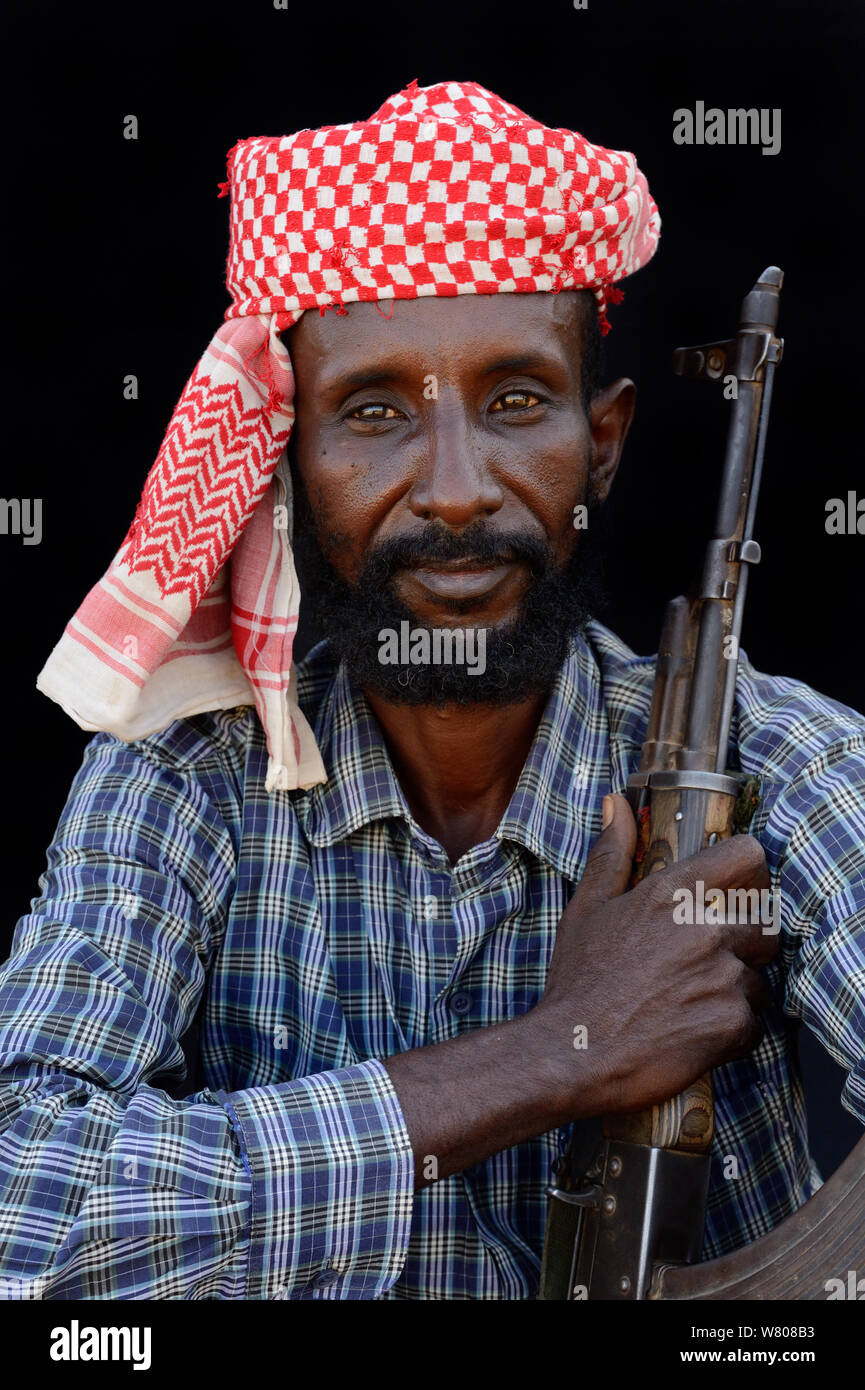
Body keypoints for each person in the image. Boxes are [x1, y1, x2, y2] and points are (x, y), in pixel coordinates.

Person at [0, 80, 862, 1301]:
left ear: (599, 447)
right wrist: (556, 1053)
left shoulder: (783, 763)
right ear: (285, 457)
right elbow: (18, 1201)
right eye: (373, 412)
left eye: (514, 402)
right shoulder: (182, 776)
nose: (455, 489)